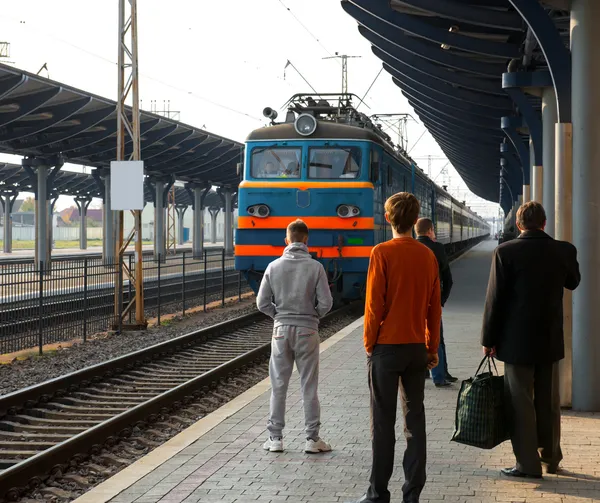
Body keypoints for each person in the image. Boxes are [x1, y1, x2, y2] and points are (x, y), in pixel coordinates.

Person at [346, 193, 442, 503]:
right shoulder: (428, 256)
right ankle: (412, 494)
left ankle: (378, 494)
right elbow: (434, 308)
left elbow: (374, 305)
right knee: (415, 422)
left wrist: (369, 343)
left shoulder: (381, 253)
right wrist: (431, 347)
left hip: (385, 350)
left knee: (383, 422)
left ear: (387, 219)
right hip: (416, 348)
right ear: (416, 221)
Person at [481, 201, 580, 479]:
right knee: (549, 401)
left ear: (519, 225)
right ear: (545, 223)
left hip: (515, 342)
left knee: (520, 401)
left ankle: (527, 464)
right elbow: (573, 282)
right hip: (549, 339)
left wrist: (488, 338)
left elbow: (494, 301)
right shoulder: (564, 250)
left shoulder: (505, 252)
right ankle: (551, 457)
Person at [256, 219, 334, 454]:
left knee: (278, 385)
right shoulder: (316, 267)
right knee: (308, 385)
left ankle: (275, 438)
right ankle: (312, 440)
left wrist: (278, 316)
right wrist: (313, 317)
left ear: (286, 240)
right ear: (307, 240)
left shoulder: (273, 266)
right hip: (308, 330)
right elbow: (327, 302)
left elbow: (261, 303)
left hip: (281, 330)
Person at [415, 217, 456, 387]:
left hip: (413, 302)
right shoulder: (437, 248)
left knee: (418, 337)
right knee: (436, 337)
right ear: (430, 230)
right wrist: (442, 300)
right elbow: (448, 279)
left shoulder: (410, 247)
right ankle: (439, 376)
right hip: (432, 302)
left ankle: (424, 371)